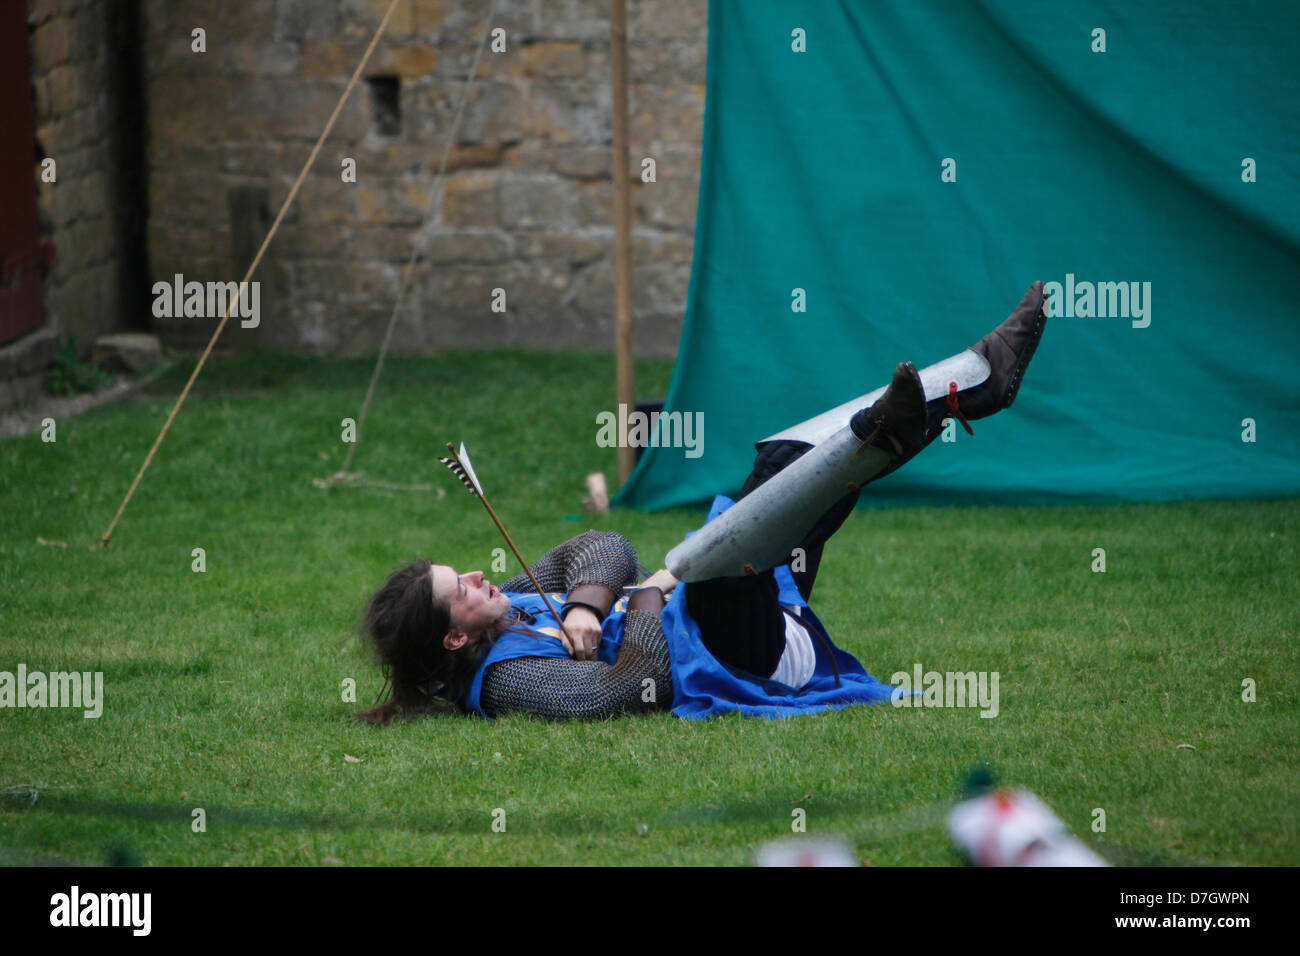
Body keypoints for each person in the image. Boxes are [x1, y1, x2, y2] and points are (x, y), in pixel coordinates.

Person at [359, 282, 1049, 723]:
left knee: (779, 461)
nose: (479, 575)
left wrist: (582, 607)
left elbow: (597, 549)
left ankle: (973, 383)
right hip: (745, 656)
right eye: (464, 588)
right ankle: (888, 426)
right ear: (456, 637)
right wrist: (656, 594)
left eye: (466, 572)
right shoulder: (509, 682)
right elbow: (630, 688)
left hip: (745, 608)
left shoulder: (513, 606)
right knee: (715, 558)